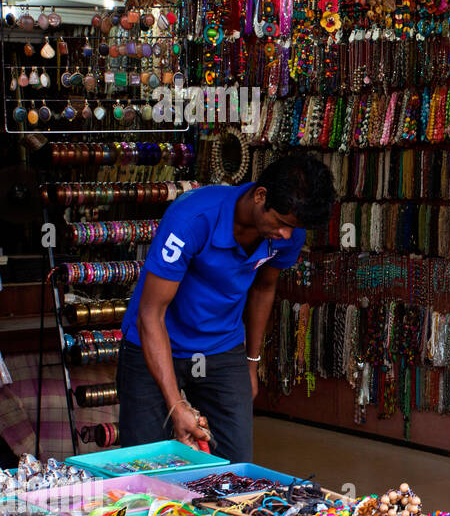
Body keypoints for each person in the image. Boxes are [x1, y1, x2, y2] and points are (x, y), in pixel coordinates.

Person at [116, 155, 336, 462]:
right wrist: (175, 403)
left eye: (294, 228)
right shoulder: (192, 218)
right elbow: (150, 314)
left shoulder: (289, 232)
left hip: (222, 347)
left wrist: (251, 364)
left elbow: (264, 287)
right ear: (261, 196)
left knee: (235, 468)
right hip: (154, 343)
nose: (288, 235)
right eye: (284, 224)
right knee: (147, 466)